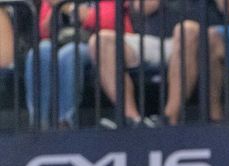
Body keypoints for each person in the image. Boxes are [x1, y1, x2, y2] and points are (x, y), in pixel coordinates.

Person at [25, 0, 133, 128]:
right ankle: (38, 122)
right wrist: (55, 10)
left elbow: (111, 21)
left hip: (94, 43)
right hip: (59, 41)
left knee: (70, 53)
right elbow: (44, 32)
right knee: (41, 50)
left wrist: (69, 8)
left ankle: (65, 121)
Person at [89, 0, 174, 127]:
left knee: (188, 31)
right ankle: (133, 120)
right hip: (153, 41)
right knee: (101, 41)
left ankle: (170, 118)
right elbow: (144, 6)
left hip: (195, 37)